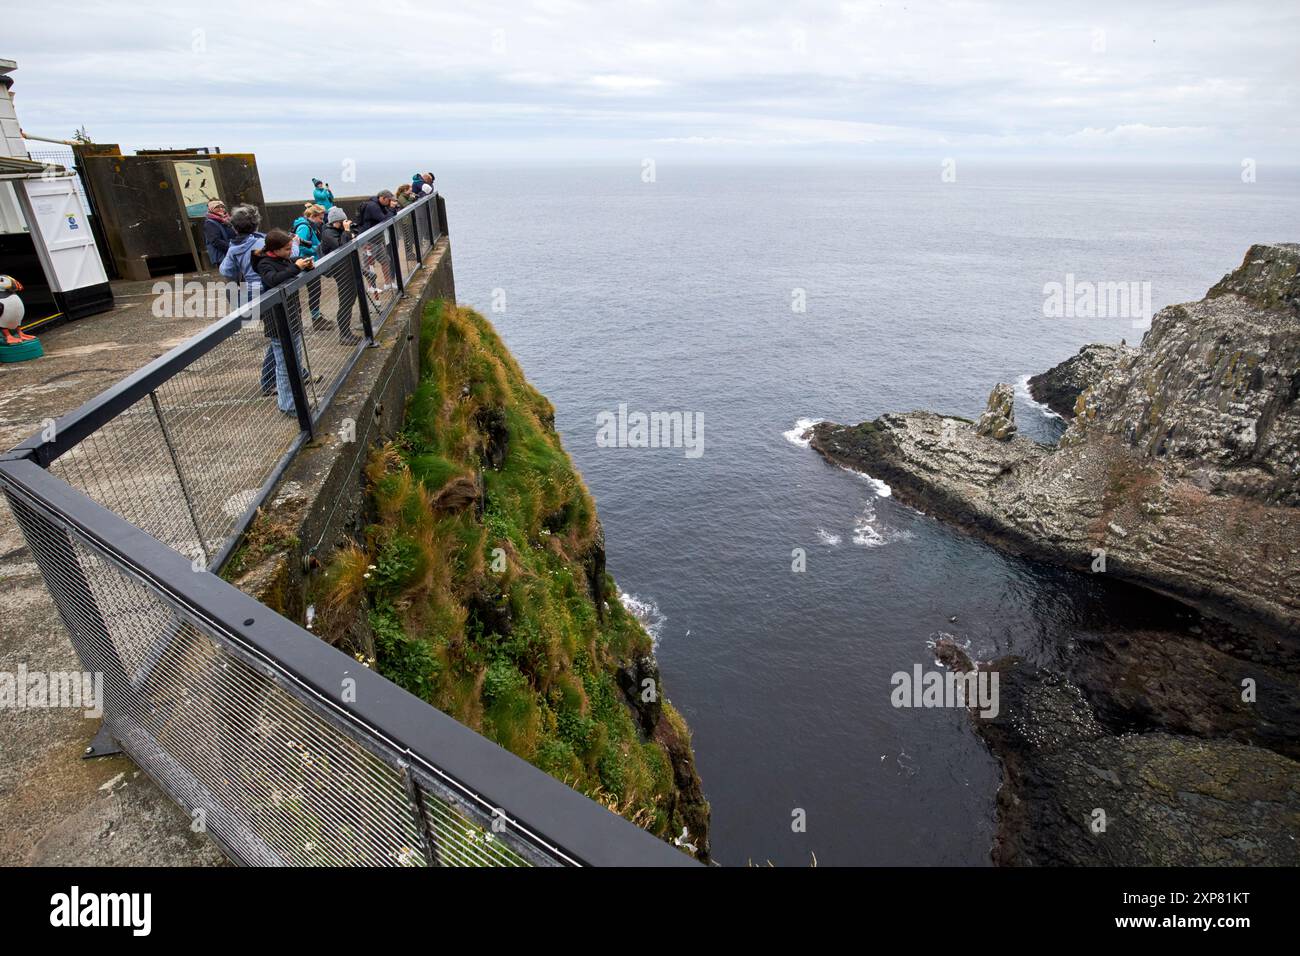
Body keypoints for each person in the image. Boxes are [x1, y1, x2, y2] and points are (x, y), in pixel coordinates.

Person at [254, 229, 315, 415]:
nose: (291, 252)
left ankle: (292, 401)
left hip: (290, 315)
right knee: (285, 365)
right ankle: (287, 404)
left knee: (290, 360)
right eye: (288, 249)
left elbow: (288, 274)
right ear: (275, 249)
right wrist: (296, 267)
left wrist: (305, 267)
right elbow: (273, 280)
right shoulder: (265, 263)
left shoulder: (282, 260)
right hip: (278, 319)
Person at [219, 204, 276, 396]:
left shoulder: (234, 246)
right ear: (256, 223)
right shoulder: (261, 243)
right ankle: (268, 381)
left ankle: (299, 371)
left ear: (234, 227)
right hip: (268, 290)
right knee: (280, 337)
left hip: (250, 293)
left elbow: (225, 271)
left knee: (281, 335)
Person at [319, 207, 362, 345]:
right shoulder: (328, 233)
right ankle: (344, 334)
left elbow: (356, 234)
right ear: (333, 222)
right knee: (345, 301)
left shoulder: (338, 231)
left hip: (349, 268)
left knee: (351, 299)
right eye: (340, 222)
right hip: (341, 271)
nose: (343, 223)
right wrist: (347, 231)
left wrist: (350, 231)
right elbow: (342, 247)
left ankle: (347, 333)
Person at [292, 203, 327, 327]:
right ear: (313, 216)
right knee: (314, 289)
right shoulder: (304, 227)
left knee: (315, 289)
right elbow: (299, 245)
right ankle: (315, 317)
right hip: (306, 261)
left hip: (309, 261)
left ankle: (316, 315)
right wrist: (316, 248)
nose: (322, 221)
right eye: (320, 218)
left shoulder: (309, 226)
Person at [202, 200, 235, 269]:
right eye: (217, 207)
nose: (221, 209)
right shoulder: (210, 223)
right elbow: (215, 241)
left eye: (222, 207)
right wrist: (233, 248)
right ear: (211, 209)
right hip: (223, 256)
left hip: (232, 253)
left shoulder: (227, 220)